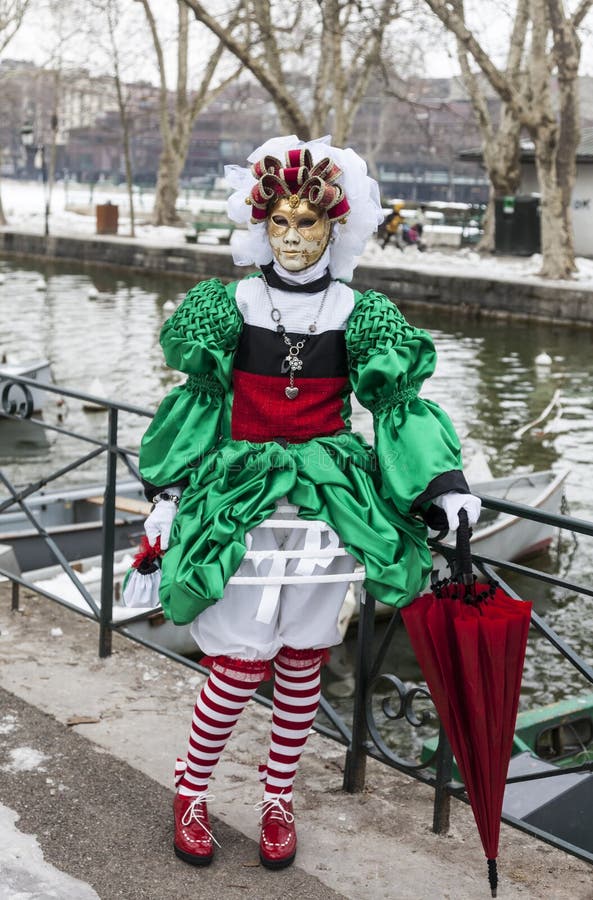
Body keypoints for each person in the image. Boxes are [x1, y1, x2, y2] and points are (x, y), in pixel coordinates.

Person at [136, 136, 481, 871]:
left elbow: (396, 409)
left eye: (308, 225)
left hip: (328, 495)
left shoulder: (361, 312)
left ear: (337, 229)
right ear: (262, 226)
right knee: (235, 664)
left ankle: (276, 797)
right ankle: (190, 791)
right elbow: (196, 407)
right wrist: (165, 492)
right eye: (280, 224)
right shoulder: (225, 303)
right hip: (240, 491)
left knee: (301, 660)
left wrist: (442, 485)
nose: (292, 239)